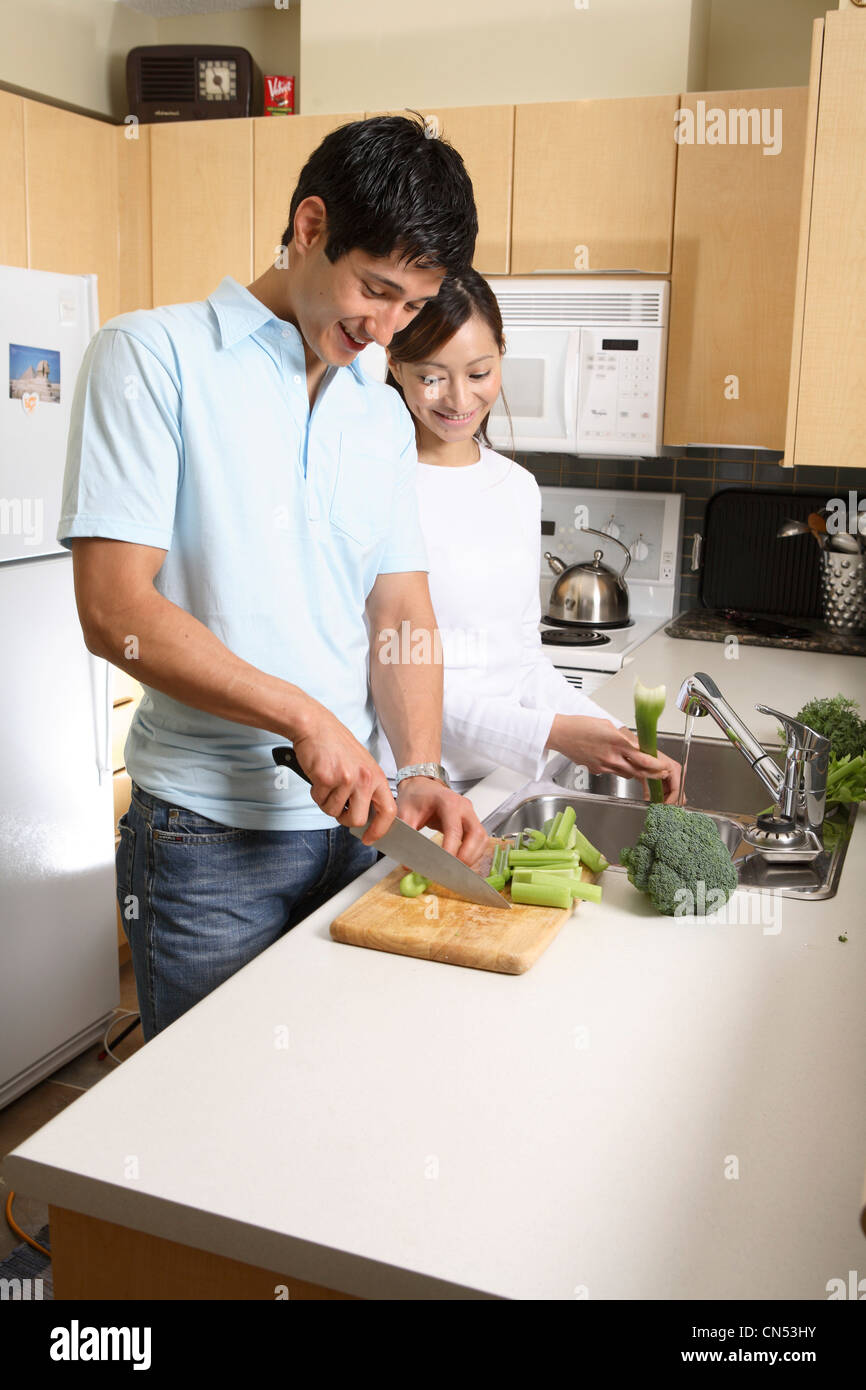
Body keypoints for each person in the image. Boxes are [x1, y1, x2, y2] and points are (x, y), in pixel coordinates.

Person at [59, 116, 490, 1041]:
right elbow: (113, 611)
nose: (385, 328)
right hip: (207, 844)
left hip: (359, 826)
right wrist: (305, 716)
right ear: (307, 225)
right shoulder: (151, 358)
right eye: (375, 289)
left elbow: (399, 607)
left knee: (335, 1106)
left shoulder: (377, 412)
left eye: (411, 307)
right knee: (211, 1126)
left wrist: (417, 766)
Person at [381, 269, 682, 799]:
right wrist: (552, 734)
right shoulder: (374, 484)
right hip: (403, 783)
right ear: (394, 363)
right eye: (432, 376)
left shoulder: (516, 487)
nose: (458, 400)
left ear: (502, 352)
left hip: (502, 783)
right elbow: (389, 675)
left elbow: (522, 661)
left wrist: (619, 736)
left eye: (479, 372)